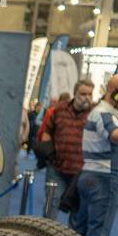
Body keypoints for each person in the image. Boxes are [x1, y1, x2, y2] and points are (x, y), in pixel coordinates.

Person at [70, 74, 118, 236]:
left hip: (96, 176)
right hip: (104, 178)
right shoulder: (104, 113)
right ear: (115, 92)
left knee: (81, 234)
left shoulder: (108, 113)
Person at [38, 79, 94, 218]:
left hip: (81, 172)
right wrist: (49, 151)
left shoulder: (95, 113)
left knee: (78, 213)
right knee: (50, 207)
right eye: (83, 93)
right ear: (75, 93)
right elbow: (47, 131)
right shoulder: (59, 109)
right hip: (57, 168)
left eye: (90, 94)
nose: (86, 97)